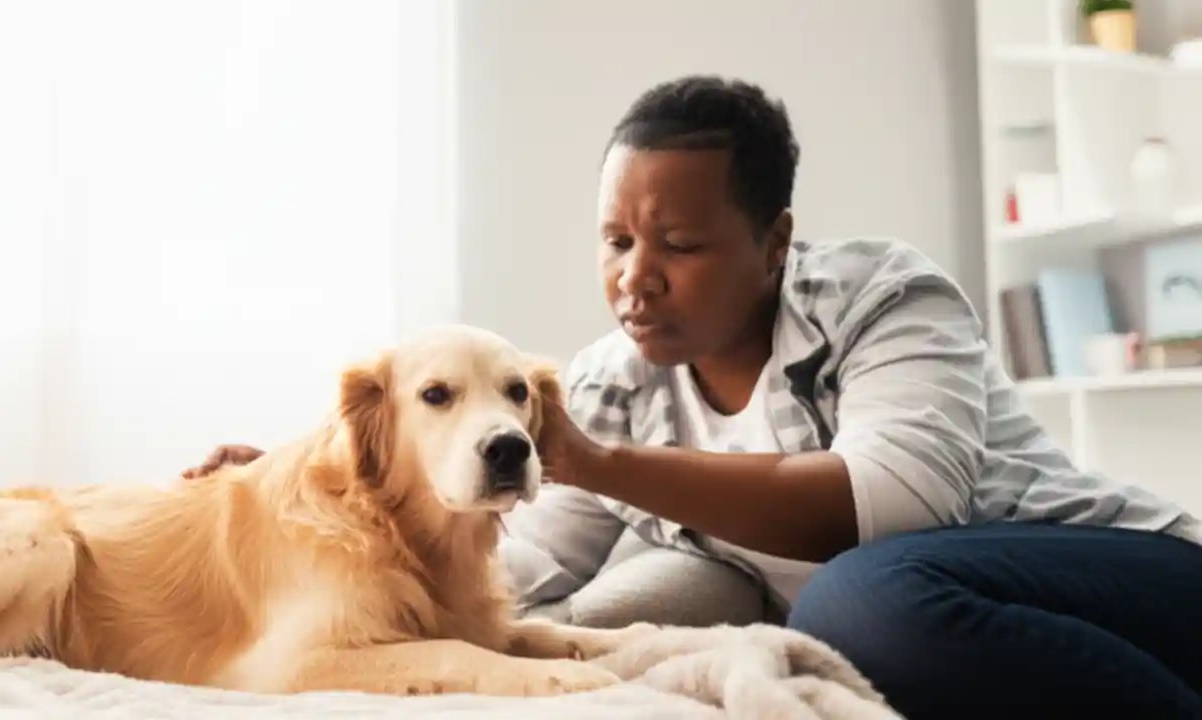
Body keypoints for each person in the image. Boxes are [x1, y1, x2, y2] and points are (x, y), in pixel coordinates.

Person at [184, 76, 1202, 718]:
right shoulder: (605, 387)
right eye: (615, 242)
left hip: (1121, 578)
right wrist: (303, 488)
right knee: (841, 619)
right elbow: (520, 565)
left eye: (676, 246)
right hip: (924, 623)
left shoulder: (884, 296)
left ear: (771, 242)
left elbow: (894, 504)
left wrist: (596, 463)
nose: (635, 277)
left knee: (860, 597)